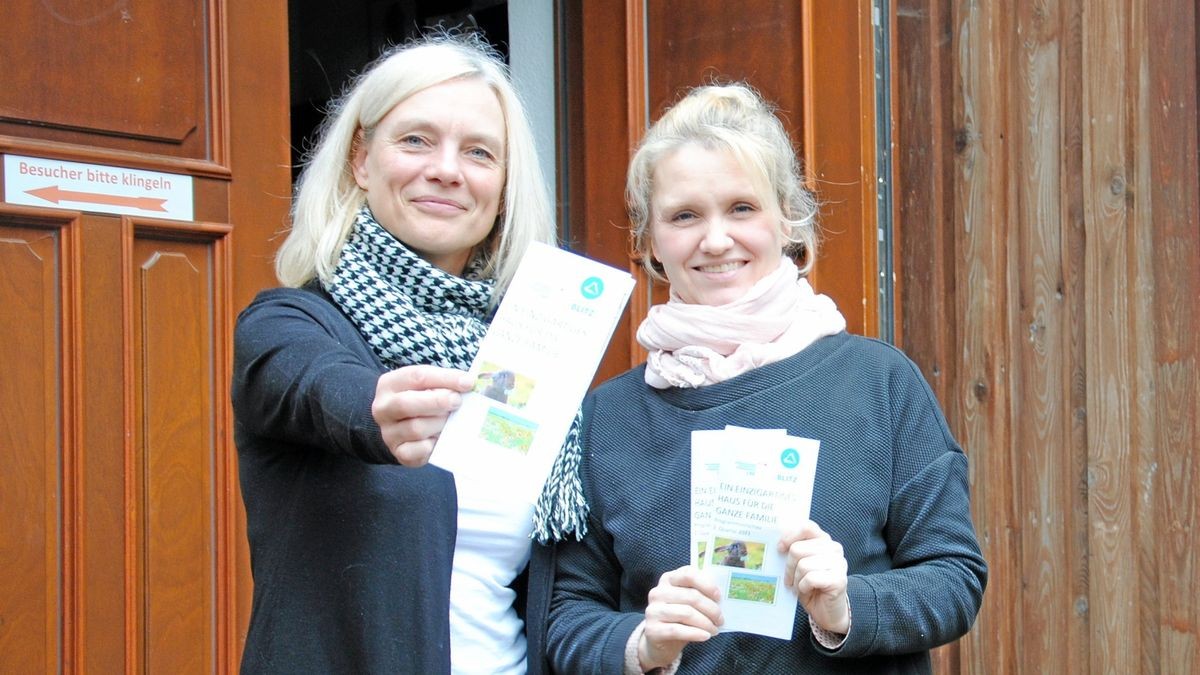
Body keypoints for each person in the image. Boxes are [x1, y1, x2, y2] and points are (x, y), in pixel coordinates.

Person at [543, 84, 988, 673]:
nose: (717, 239)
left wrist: (846, 605)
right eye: (684, 216)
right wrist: (643, 643)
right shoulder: (605, 419)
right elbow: (568, 615)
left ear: (789, 218)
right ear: (650, 240)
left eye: (742, 208)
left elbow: (954, 577)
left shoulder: (879, 383)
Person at [233, 33, 583, 674]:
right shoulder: (290, 323)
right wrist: (375, 410)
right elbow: (311, 385)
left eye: (479, 152)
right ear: (361, 161)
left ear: (503, 186)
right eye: (416, 140)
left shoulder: (536, 351)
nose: (447, 169)